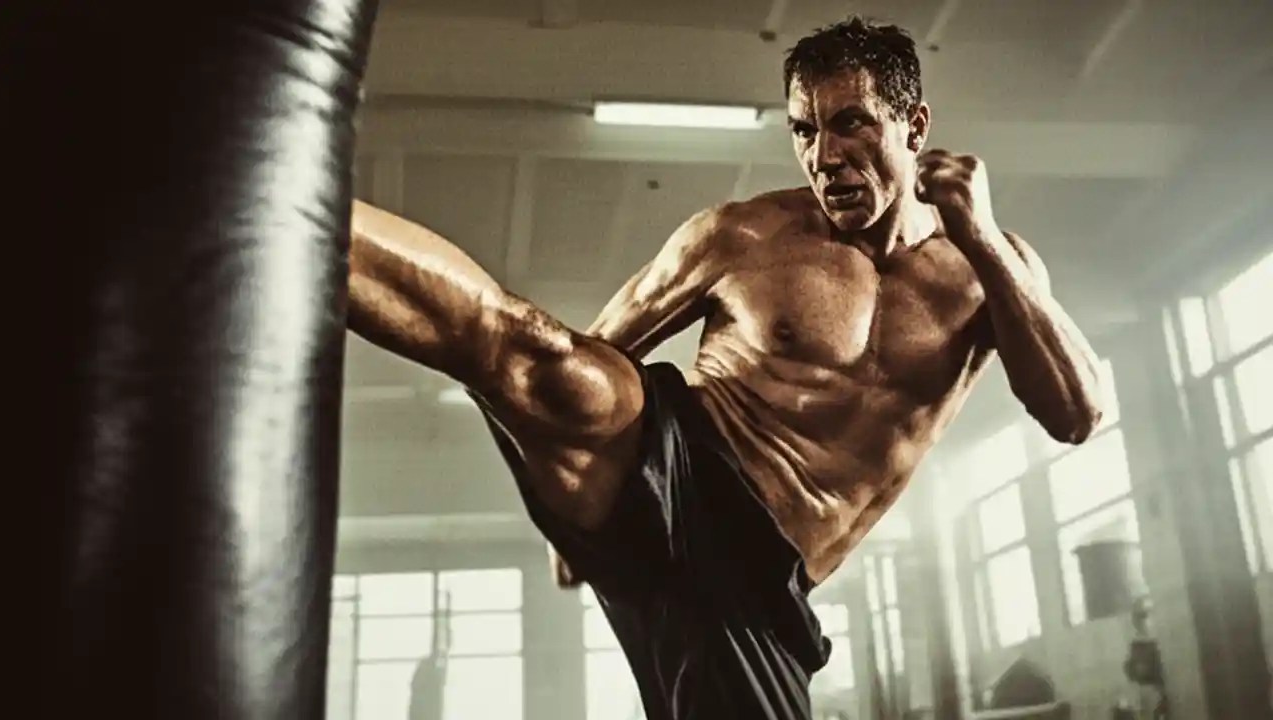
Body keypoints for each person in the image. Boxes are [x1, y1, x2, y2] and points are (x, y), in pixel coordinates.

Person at [347, 16, 1104, 719]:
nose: (822, 156)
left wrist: (982, 237)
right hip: (676, 465)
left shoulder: (986, 270)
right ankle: (288, 202)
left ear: (916, 125)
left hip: (759, 584)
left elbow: (1079, 413)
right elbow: (595, 352)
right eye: (803, 130)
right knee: (532, 349)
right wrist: (574, 518)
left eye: (849, 123)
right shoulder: (741, 235)